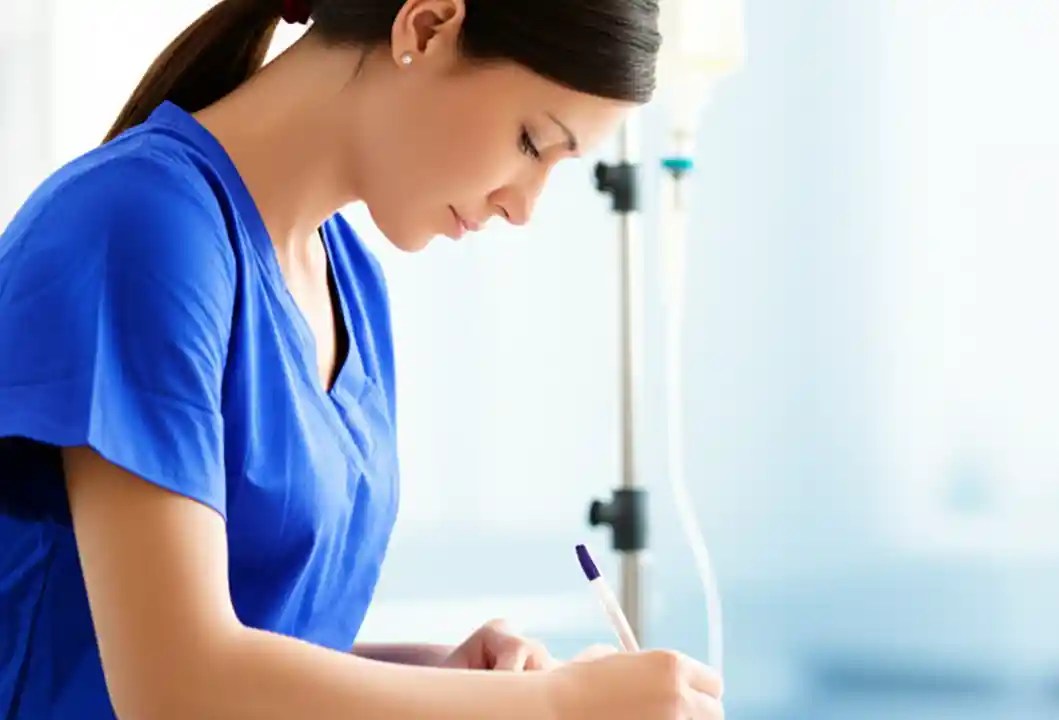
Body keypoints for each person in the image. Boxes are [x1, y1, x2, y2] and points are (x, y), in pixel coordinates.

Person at [0, 0, 724, 717]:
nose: (524, 207)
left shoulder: (348, 282)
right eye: (533, 142)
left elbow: (262, 646)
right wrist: (552, 708)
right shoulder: (142, 229)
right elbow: (177, 688)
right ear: (428, 26)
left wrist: (457, 681)